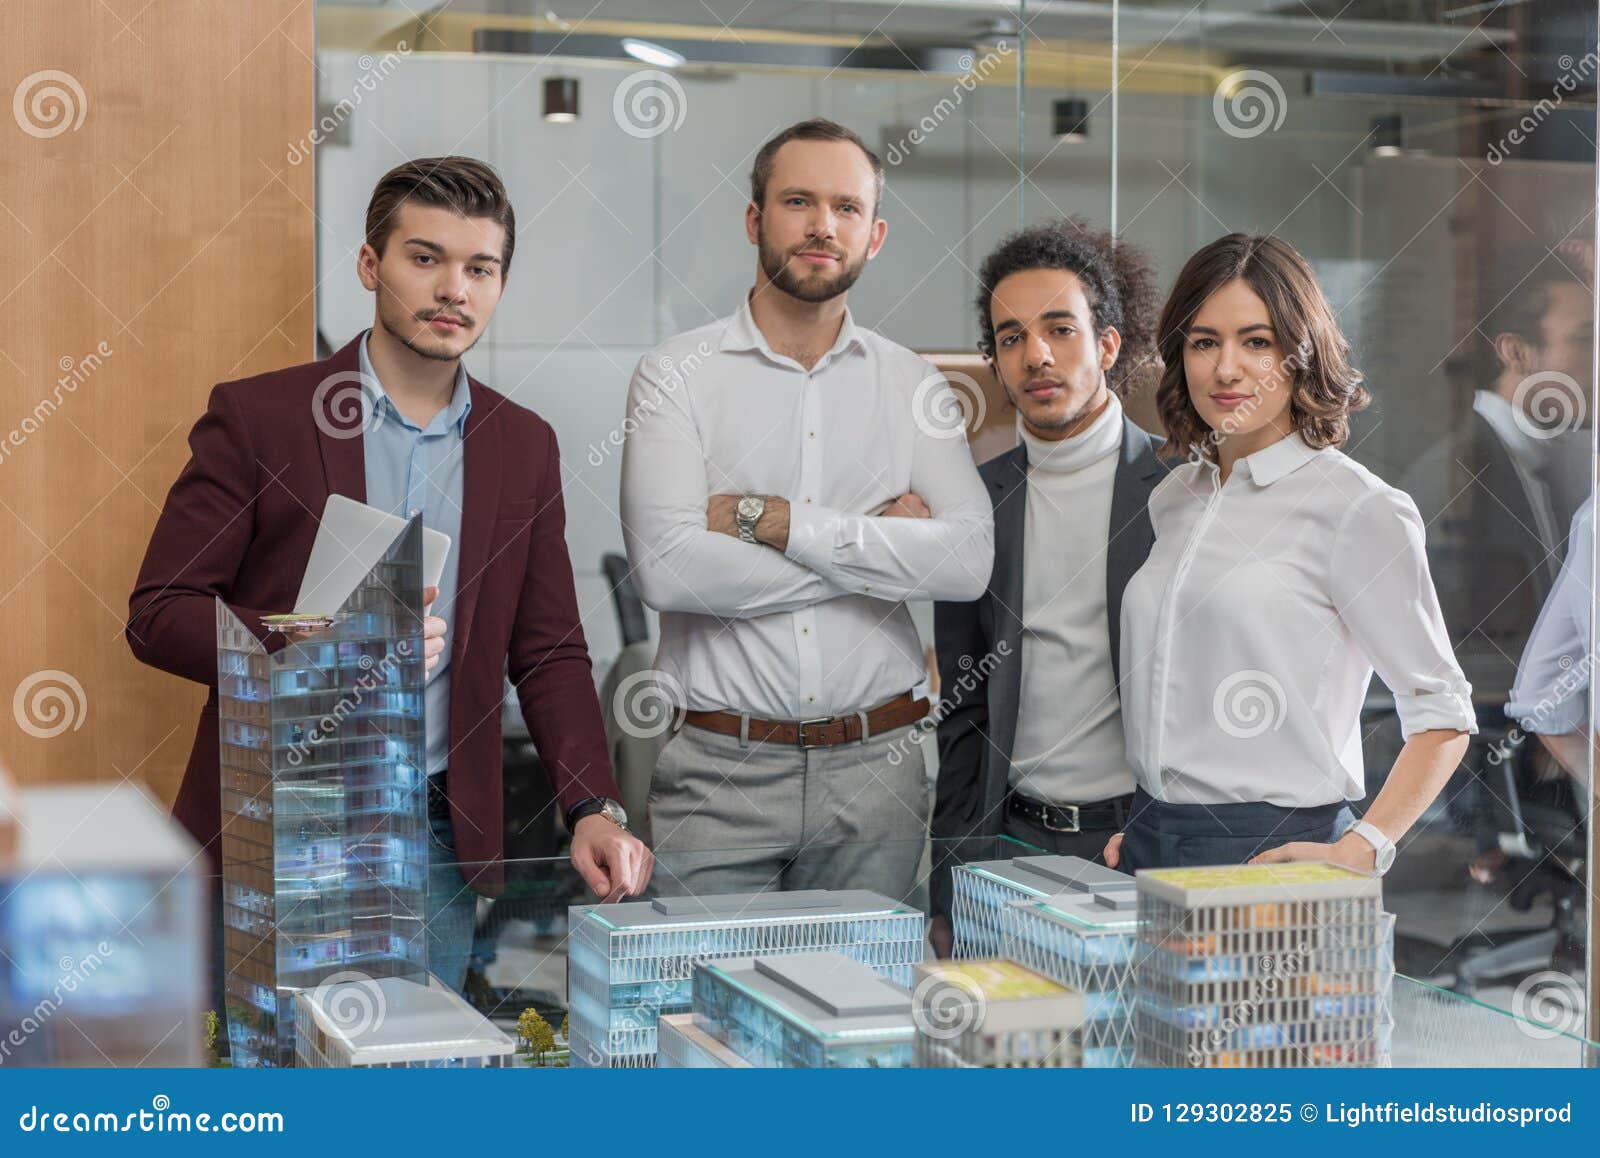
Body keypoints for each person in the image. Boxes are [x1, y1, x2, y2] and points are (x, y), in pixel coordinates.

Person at [128, 157, 652, 996]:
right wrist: (325, 637)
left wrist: (593, 804)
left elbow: (549, 649)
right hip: (279, 819)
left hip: (433, 834)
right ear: (371, 266)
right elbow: (159, 614)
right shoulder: (261, 418)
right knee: (267, 1085)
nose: (454, 288)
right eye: (424, 258)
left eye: (479, 268)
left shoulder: (524, 447)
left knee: (403, 1096)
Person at [619, 118, 993, 900]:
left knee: (866, 1014)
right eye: (799, 201)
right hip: (721, 774)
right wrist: (881, 553)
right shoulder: (676, 374)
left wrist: (779, 522)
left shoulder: (914, 385)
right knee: (693, 1014)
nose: (825, 225)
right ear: (755, 219)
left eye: (847, 208)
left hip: (879, 771)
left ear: (875, 234)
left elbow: (965, 561)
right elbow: (670, 572)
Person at [1109, 233, 1476, 874]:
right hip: (1150, 838)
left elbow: (1443, 711)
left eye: (1257, 341)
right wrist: (1150, 826)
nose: (1226, 369)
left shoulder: (1356, 507)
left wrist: (1364, 848)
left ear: (1300, 355)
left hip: (1275, 849)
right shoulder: (1175, 497)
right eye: (1203, 342)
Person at [929, 220, 1167, 956]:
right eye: (1010, 337)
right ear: (996, 364)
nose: (1036, 355)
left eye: (1060, 329)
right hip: (1010, 846)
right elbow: (963, 712)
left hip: (1140, 844)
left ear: (1107, 345)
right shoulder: (977, 503)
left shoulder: (1180, 492)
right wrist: (947, 881)